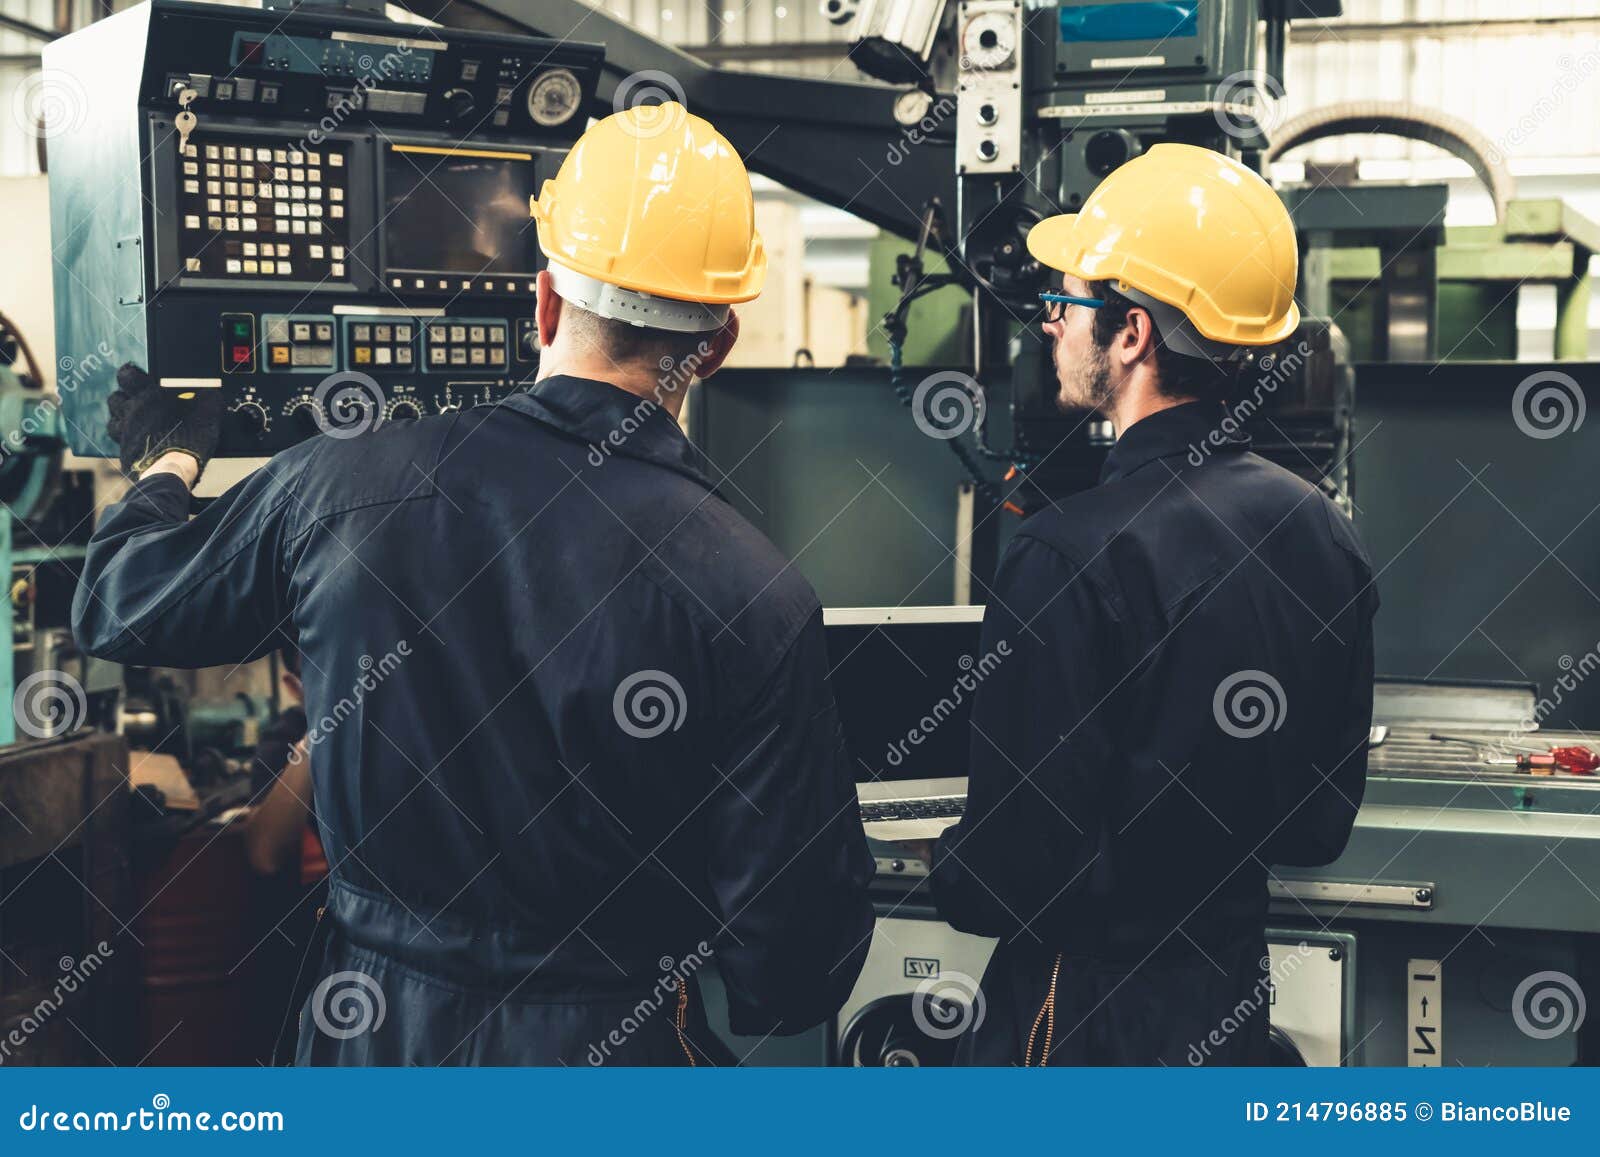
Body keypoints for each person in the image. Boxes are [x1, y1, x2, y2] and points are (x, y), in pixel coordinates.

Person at [72, 103, 875, 1066]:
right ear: (718, 345)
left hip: (373, 1042)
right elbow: (791, 968)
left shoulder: (344, 484)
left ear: (542, 303)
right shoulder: (756, 591)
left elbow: (119, 600)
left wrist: (166, 464)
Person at [929, 143, 1378, 1065]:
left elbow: (1010, 876)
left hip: (1078, 1020)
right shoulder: (1321, 534)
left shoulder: (1068, 553)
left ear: (1131, 333)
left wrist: (945, 853)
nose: (1049, 325)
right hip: (1225, 1009)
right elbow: (1315, 827)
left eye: (1066, 301)